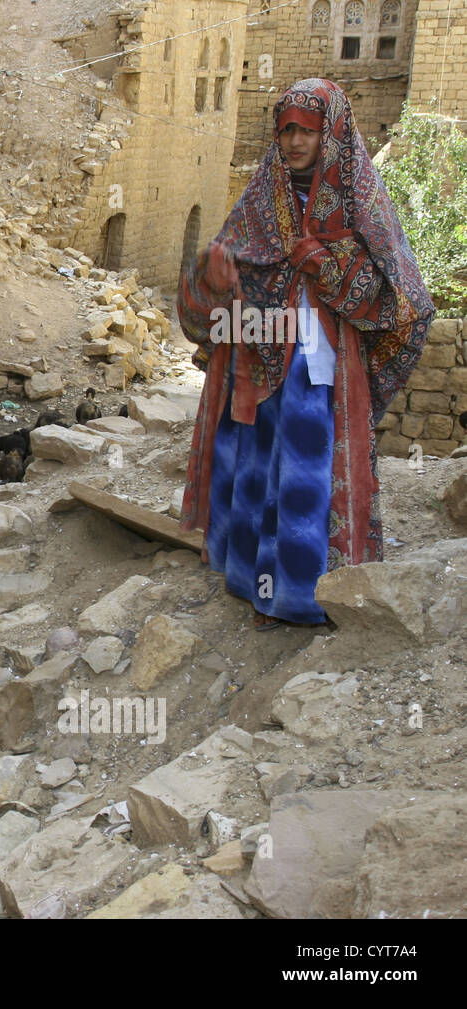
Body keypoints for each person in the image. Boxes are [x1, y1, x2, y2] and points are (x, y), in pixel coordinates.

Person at [178, 78, 434, 629]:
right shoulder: (261, 196)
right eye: (286, 129)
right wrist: (216, 269)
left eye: (307, 130)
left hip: (322, 363)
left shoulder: (361, 200)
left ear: (331, 133)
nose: (295, 141)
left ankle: (305, 596)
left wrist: (326, 263)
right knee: (257, 463)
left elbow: (406, 297)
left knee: (307, 470)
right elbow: (227, 263)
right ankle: (252, 583)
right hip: (262, 356)